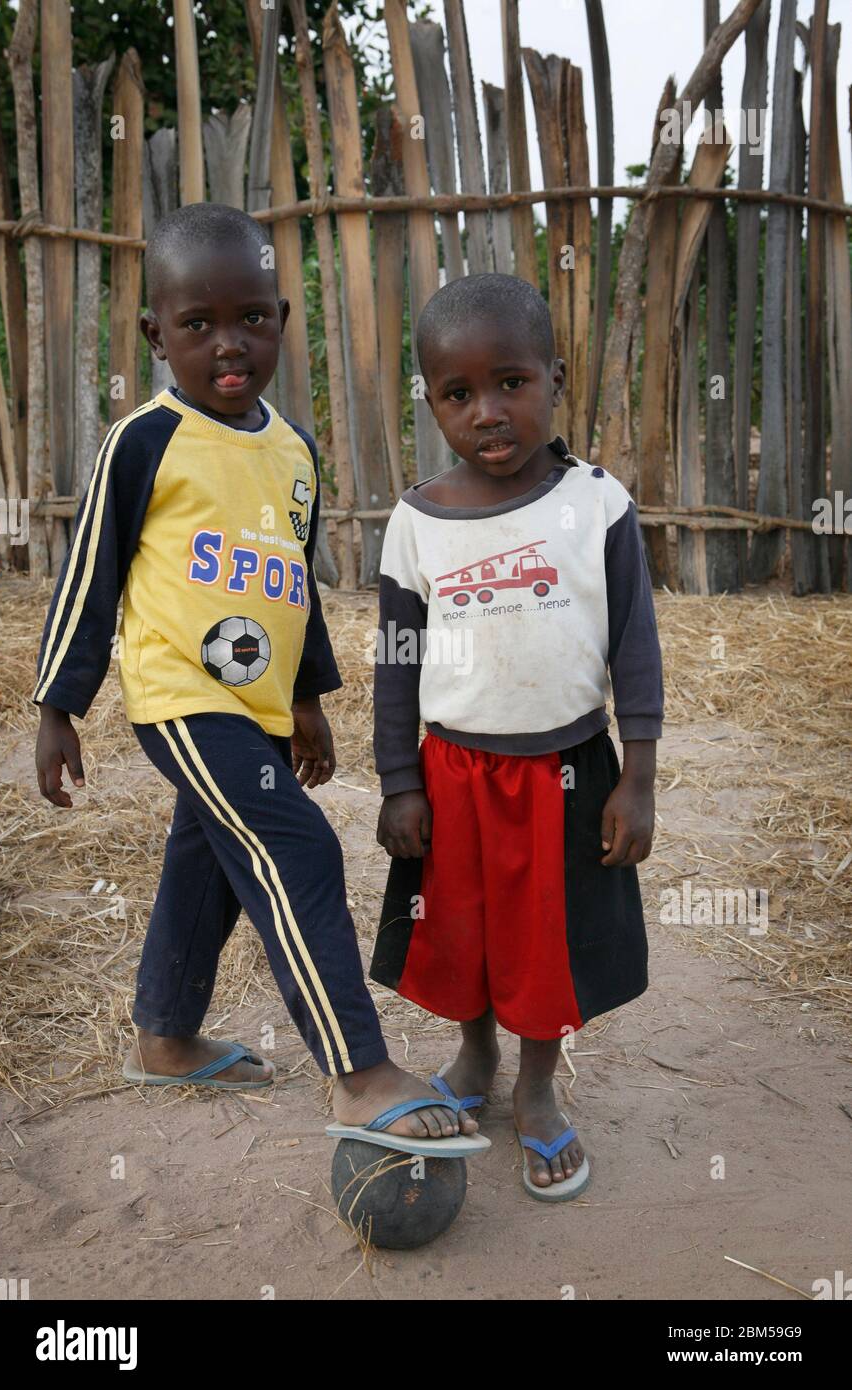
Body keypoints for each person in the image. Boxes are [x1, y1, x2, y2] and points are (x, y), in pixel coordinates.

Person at [32, 202, 477, 1145]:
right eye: (198, 325)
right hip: (180, 698)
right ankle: (358, 1072)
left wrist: (306, 700)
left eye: (252, 319)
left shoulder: (294, 452)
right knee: (298, 846)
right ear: (157, 336)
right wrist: (58, 704)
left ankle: (164, 1039)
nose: (227, 344)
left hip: (256, 707)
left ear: (281, 315)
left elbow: (297, 587)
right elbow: (90, 575)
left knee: (208, 860)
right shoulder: (143, 441)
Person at [372, 272, 663, 1197]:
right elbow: (397, 661)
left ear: (556, 377)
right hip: (452, 769)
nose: (488, 411)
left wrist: (639, 777)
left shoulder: (597, 505)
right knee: (456, 931)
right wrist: (397, 782)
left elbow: (635, 649)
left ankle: (537, 1090)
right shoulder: (416, 521)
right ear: (432, 404)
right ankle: (475, 1059)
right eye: (459, 394)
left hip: (568, 771)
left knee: (547, 939)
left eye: (511, 383)